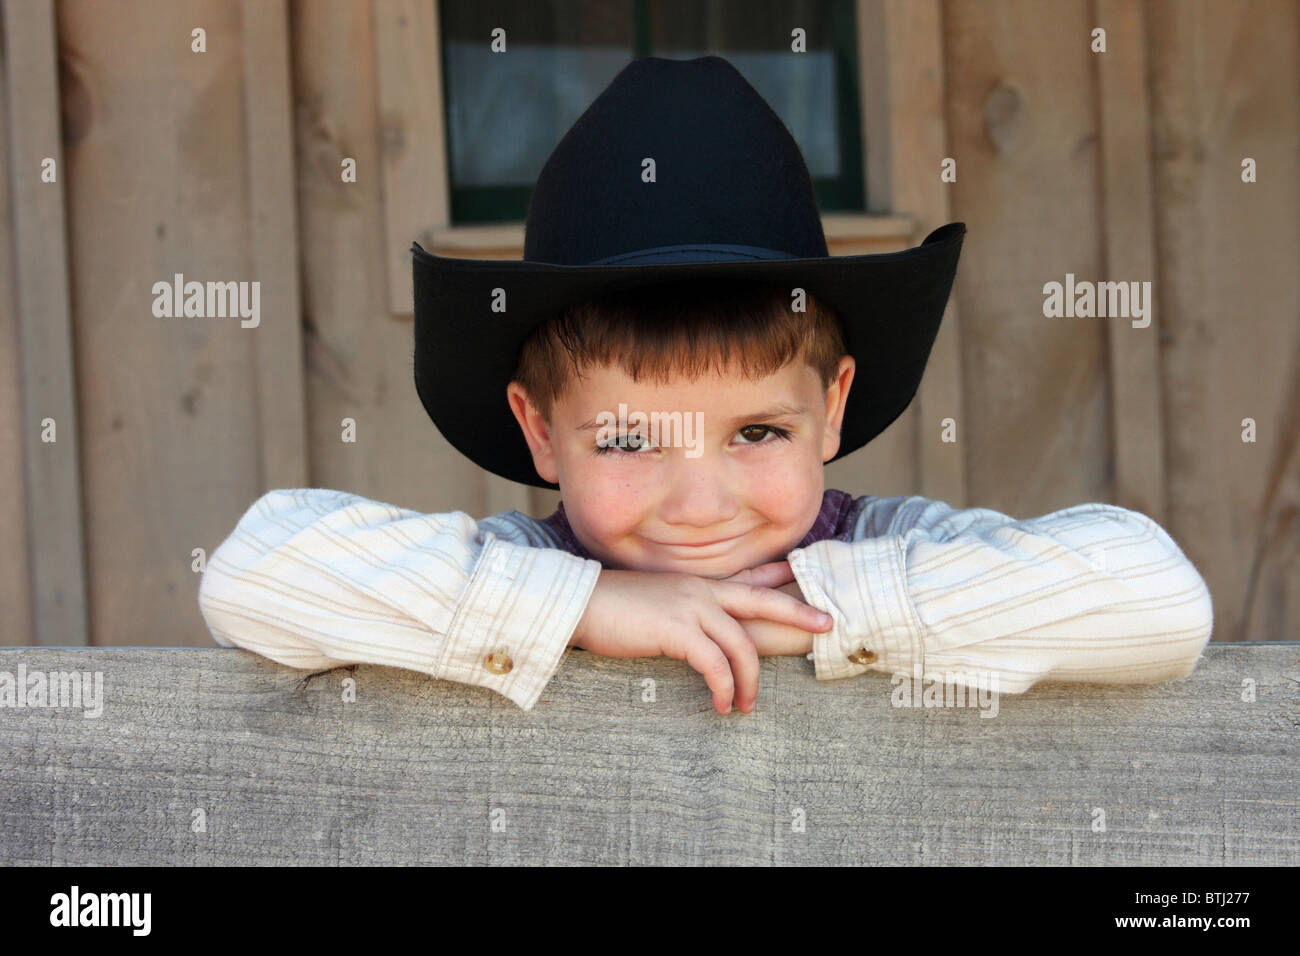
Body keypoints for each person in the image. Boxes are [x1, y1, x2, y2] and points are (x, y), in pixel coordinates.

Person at [198, 56, 1213, 715]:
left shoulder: (886, 548)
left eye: (758, 432)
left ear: (834, 408)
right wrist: (586, 602)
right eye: (631, 439)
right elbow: (257, 571)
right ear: (540, 432)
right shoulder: (526, 560)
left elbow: (1159, 595)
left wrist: (826, 603)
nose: (699, 505)